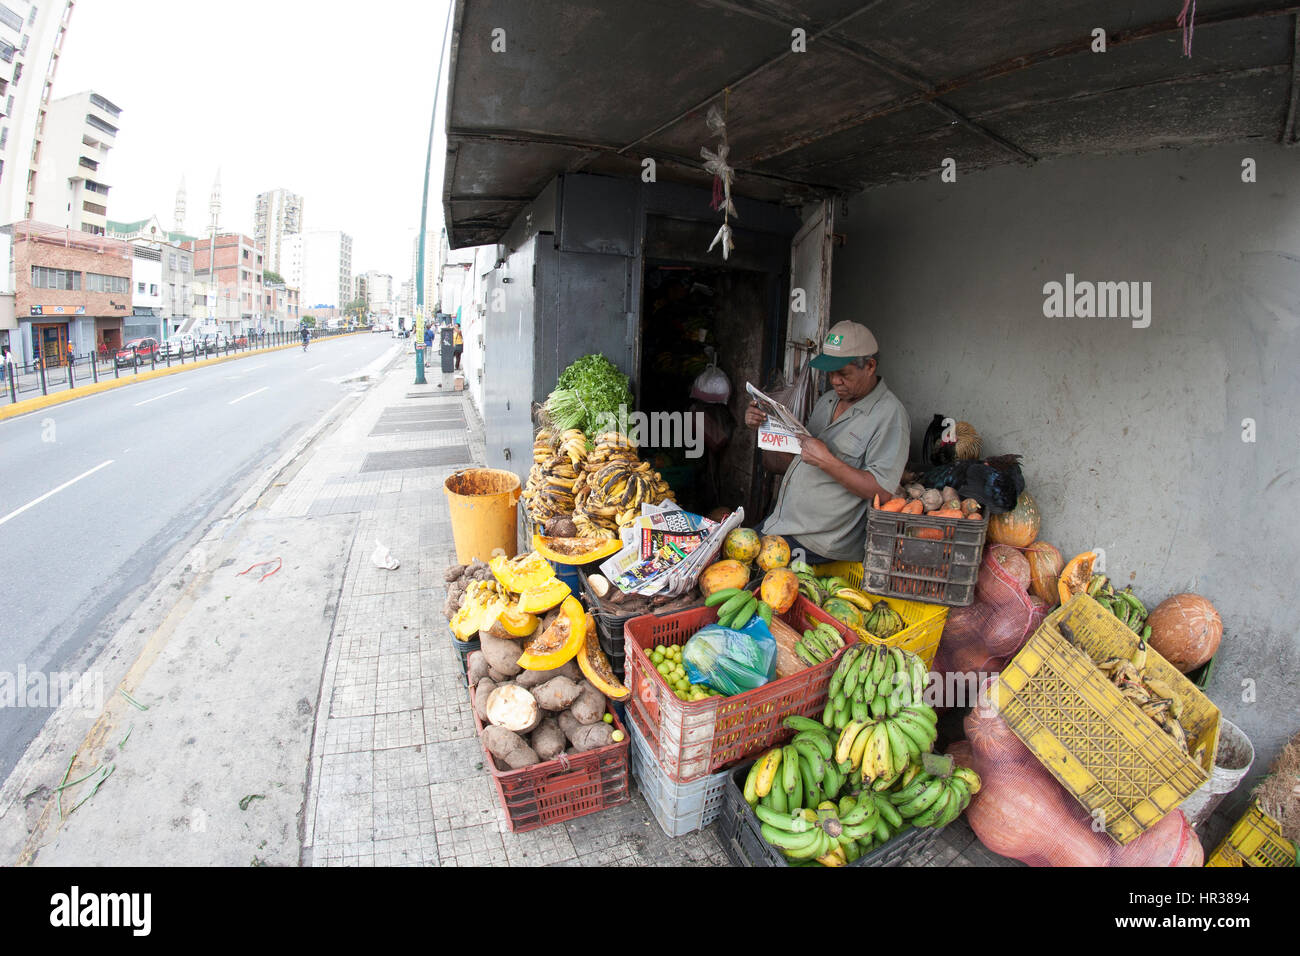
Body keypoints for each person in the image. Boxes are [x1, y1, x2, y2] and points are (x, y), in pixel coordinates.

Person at [743, 321, 910, 565]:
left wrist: (827, 461)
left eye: (843, 374)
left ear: (870, 366)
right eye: (830, 373)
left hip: (820, 540)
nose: (834, 381)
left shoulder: (890, 415)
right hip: (785, 522)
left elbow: (883, 491)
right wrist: (763, 425)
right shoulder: (829, 400)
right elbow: (802, 460)